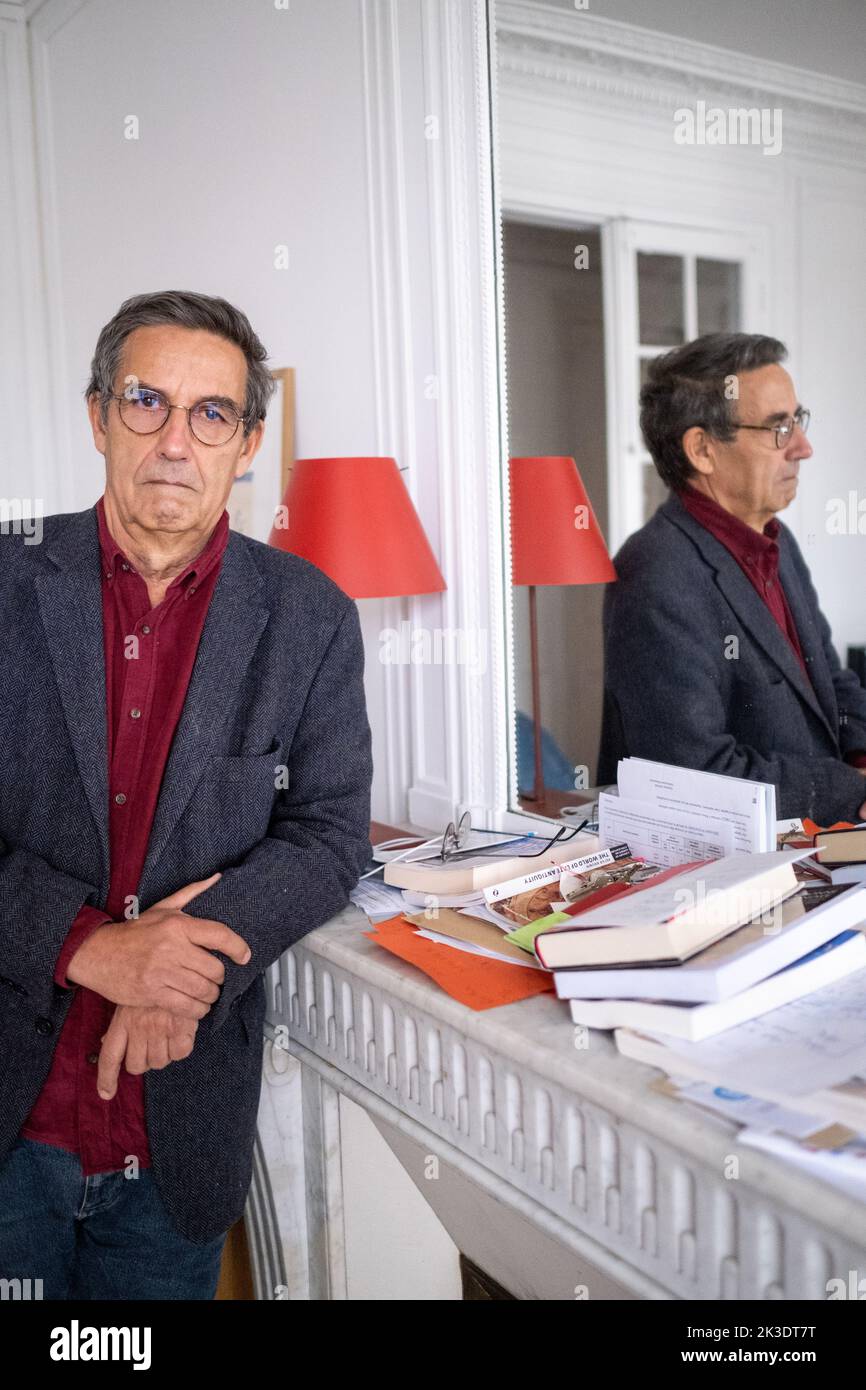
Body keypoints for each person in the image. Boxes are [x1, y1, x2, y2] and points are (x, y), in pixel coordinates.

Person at [0, 290, 373, 1299]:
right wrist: (90, 946)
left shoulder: (311, 618)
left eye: (211, 414)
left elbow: (329, 833)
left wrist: (179, 958)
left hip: (179, 1132)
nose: (175, 440)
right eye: (145, 402)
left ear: (246, 441)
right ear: (96, 417)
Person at [598, 331, 866, 825]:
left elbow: (829, 682)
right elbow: (694, 775)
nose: (803, 447)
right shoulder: (654, 574)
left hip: (818, 843)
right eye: (778, 428)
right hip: (732, 875)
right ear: (702, 450)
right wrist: (849, 792)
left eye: (797, 421)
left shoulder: (776, 541)